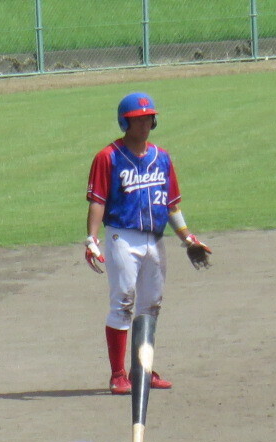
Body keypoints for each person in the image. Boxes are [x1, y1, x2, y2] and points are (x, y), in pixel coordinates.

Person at [84, 92, 205, 395]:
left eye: (148, 118)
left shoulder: (161, 157)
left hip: (154, 240)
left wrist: (187, 238)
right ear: (125, 122)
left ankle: (143, 369)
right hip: (121, 237)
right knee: (123, 301)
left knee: (151, 306)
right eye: (138, 120)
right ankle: (117, 374)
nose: (144, 124)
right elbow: (97, 201)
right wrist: (91, 238)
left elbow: (172, 205)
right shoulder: (108, 157)